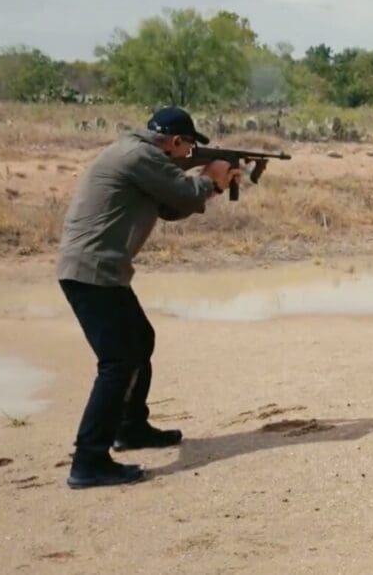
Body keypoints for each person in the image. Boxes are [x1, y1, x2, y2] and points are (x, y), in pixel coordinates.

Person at [56, 106, 239, 489]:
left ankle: (131, 427)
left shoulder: (135, 154)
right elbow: (187, 194)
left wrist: (212, 183)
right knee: (118, 361)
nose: (189, 153)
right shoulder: (140, 156)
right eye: (188, 147)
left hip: (99, 271)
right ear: (175, 142)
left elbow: (172, 208)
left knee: (140, 340)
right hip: (93, 273)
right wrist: (210, 179)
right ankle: (88, 460)